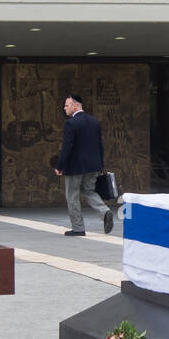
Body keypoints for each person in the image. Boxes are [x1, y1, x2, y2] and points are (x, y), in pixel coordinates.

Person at [52, 94, 113, 237]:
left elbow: (67, 147)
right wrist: (100, 165)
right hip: (93, 166)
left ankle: (78, 228)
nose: (64, 108)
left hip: (75, 167)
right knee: (89, 191)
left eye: (67, 105)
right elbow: (100, 145)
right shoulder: (94, 122)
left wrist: (60, 166)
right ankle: (105, 212)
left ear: (76, 105)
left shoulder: (71, 123)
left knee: (72, 196)